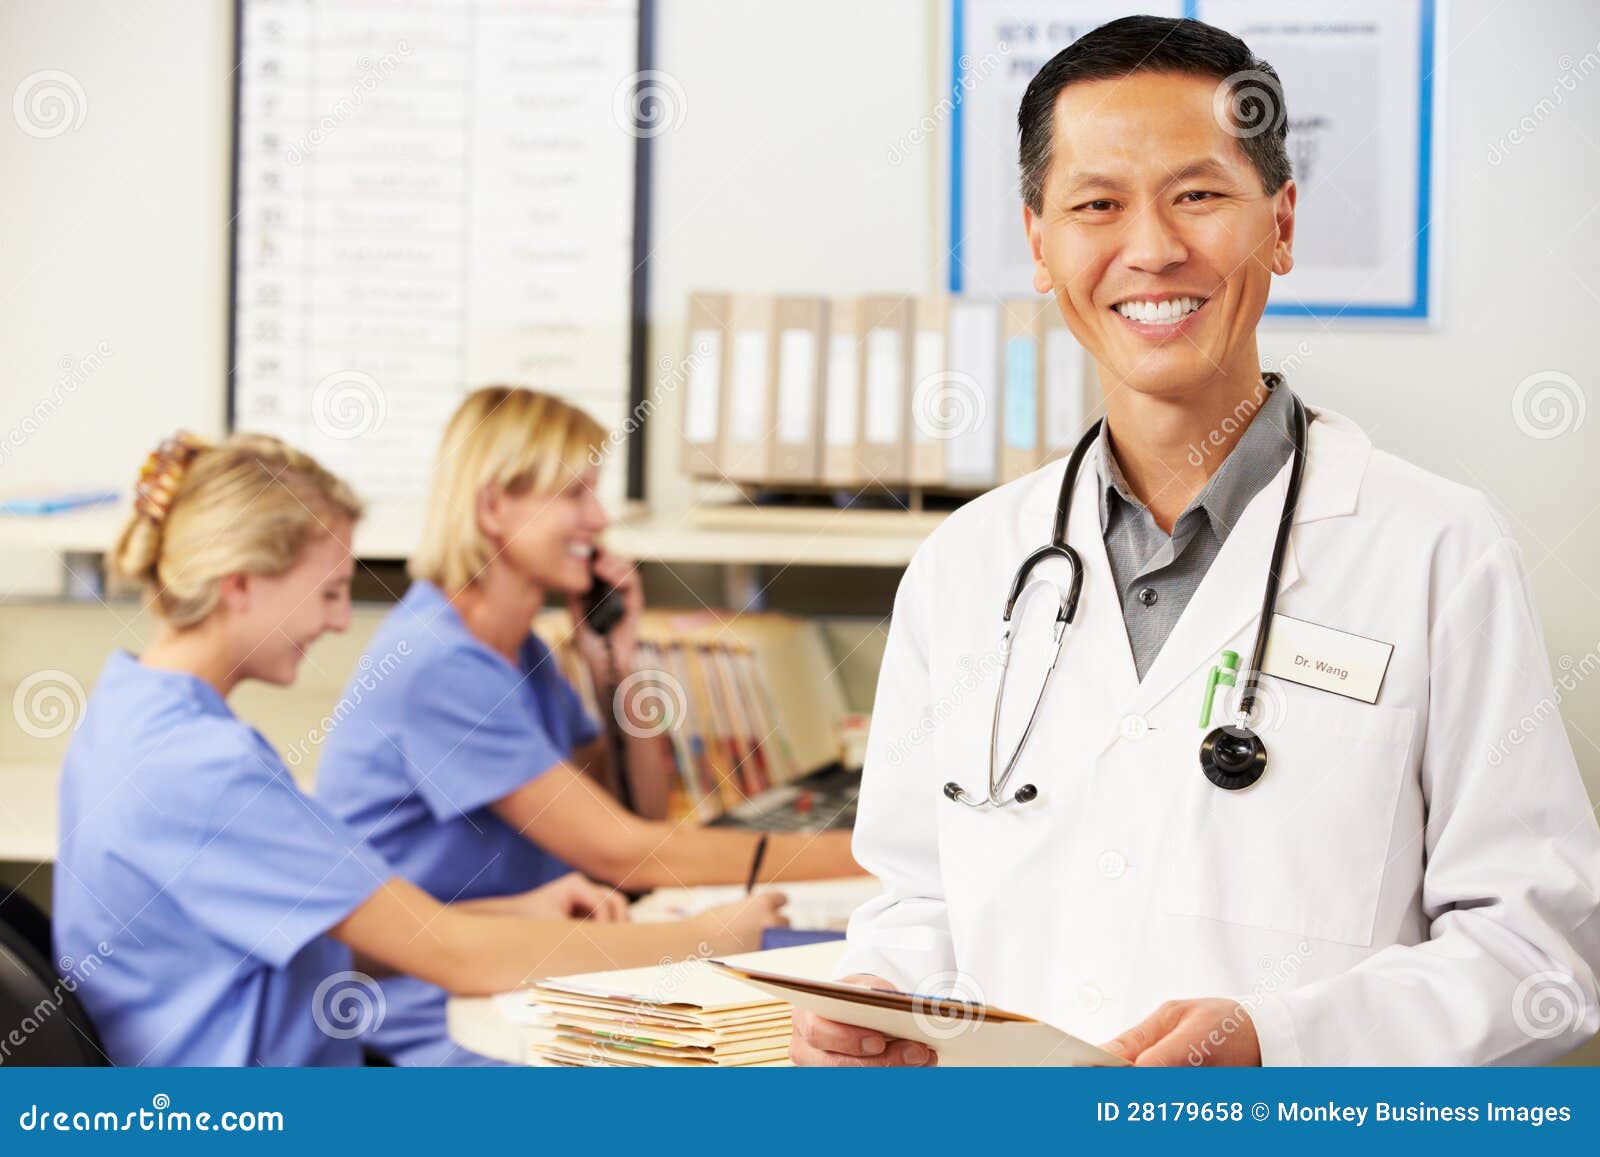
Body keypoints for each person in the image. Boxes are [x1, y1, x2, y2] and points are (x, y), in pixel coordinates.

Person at [792, 15, 1600, 1067]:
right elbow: (916, 900)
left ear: (1281, 223)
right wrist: (876, 998)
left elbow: (1538, 954)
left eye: (1198, 195)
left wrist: (1281, 1040)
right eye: (1096, 205)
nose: (1151, 249)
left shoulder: (1439, 551)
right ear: (1039, 242)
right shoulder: (966, 565)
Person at [53, 432, 782, 1066]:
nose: (340, 621)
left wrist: (517, 911)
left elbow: (326, 933)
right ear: (239, 584)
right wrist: (706, 937)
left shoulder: (129, 711)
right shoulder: (201, 765)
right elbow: (452, 955)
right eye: (330, 592)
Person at [314, 385, 861, 1065]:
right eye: (574, 493)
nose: (599, 519)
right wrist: (865, 854)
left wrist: (615, 665)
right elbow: (623, 852)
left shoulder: (522, 652)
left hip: (523, 971)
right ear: (492, 507)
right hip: (436, 1008)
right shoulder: (438, 664)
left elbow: (633, 817)